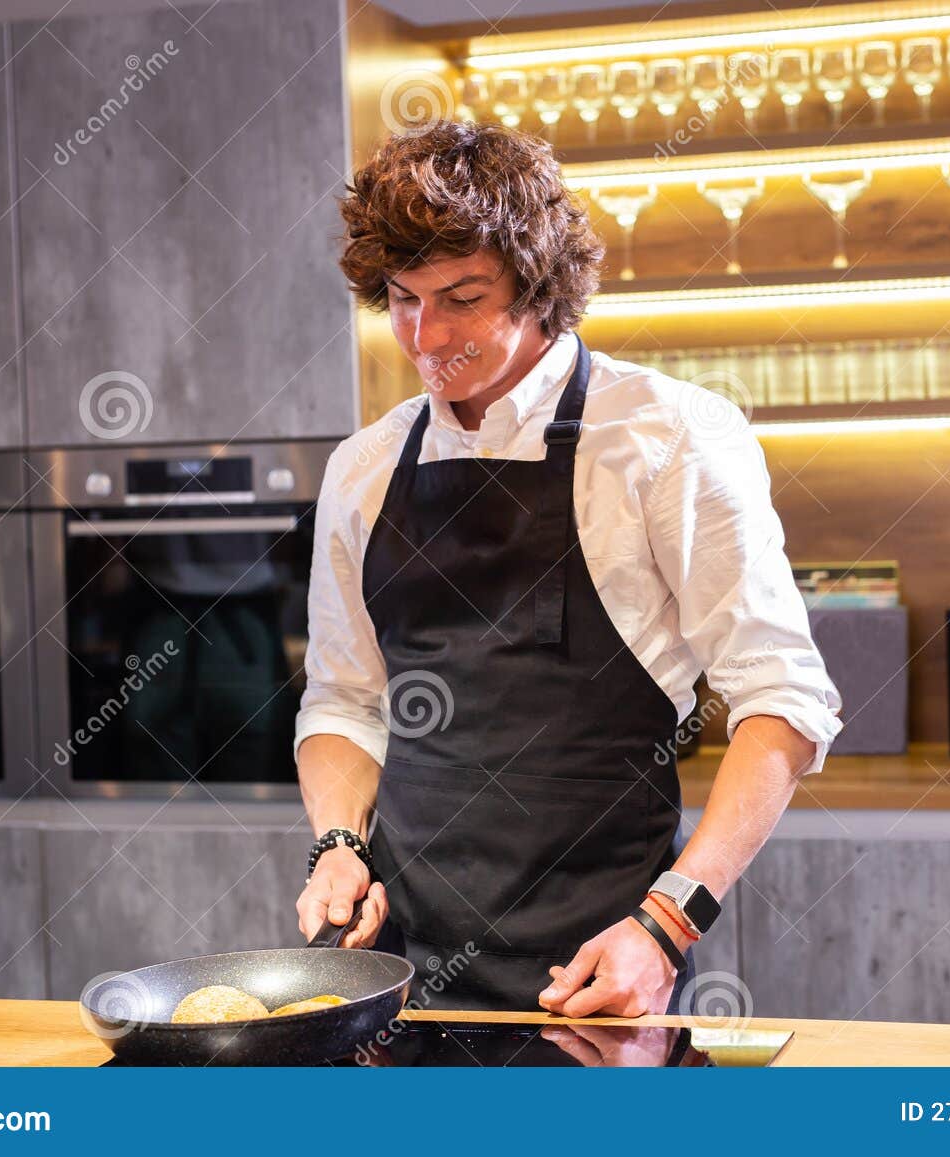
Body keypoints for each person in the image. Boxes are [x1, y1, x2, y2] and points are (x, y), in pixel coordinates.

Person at [293, 120, 841, 1016]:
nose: (425, 336)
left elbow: (784, 701)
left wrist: (668, 922)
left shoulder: (670, 438)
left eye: (462, 297)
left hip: (601, 967)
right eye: (400, 298)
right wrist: (340, 846)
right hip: (396, 970)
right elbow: (346, 700)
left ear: (540, 284)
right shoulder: (364, 466)